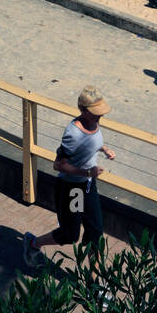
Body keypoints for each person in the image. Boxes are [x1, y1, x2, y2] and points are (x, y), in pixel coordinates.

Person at [23, 86, 115, 269]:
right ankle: (33, 244)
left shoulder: (95, 122)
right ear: (82, 109)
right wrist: (88, 173)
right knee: (70, 235)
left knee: (95, 232)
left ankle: (94, 283)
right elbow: (59, 165)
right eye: (95, 113)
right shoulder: (73, 134)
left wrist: (104, 149)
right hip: (73, 190)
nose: (99, 116)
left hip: (88, 186)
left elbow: (92, 142)